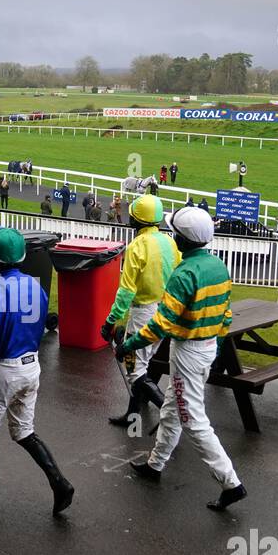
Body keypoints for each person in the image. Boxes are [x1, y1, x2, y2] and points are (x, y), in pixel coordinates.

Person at [116, 206, 246, 511]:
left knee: (193, 420)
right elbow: (226, 316)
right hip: (208, 346)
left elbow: (162, 324)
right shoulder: (219, 267)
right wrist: (217, 349)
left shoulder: (184, 274)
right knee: (173, 408)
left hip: (188, 351)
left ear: (182, 239)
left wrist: (129, 346)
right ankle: (155, 463)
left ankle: (231, 483)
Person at [0, 228, 75, 517]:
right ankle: (59, 482)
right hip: (31, 367)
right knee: (24, 431)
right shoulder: (37, 288)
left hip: (2, 373)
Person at [101, 195, 180, 427]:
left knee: (133, 367)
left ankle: (170, 418)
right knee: (140, 366)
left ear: (138, 220)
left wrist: (110, 321)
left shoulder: (137, 246)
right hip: (166, 312)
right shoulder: (170, 242)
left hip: (144, 313)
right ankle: (132, 414)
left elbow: (126, 291)